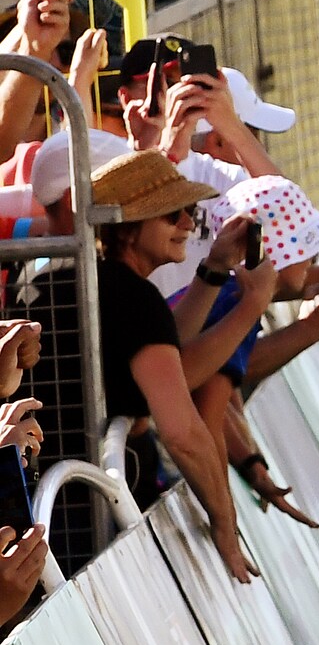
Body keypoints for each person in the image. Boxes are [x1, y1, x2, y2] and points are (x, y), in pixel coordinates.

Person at [82, 151, 257, 581]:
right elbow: (183, 435)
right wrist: (227, 527)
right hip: (95, 516)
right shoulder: (134, 299)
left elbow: (165, 346)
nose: (187, 224)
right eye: (173, 213)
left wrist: (215, 269)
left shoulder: (77, 277)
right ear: (128, 229)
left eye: (190, 212)